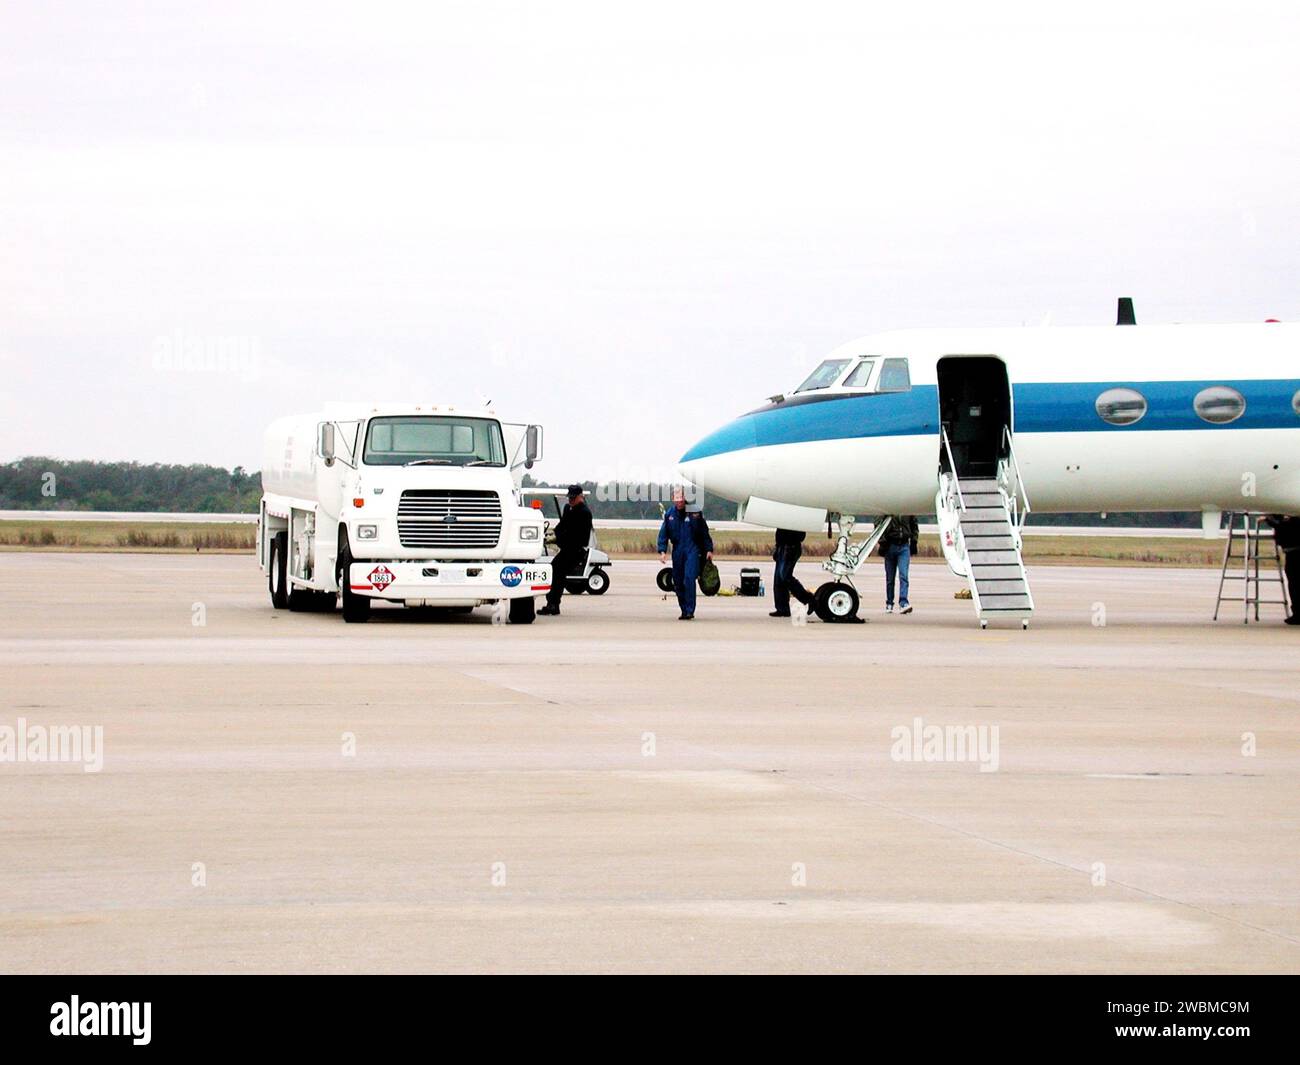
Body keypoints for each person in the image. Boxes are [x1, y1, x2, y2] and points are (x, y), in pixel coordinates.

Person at [658, 487, 713, 620]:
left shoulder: (695, 512)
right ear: (673, 499)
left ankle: (690, 610)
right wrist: (662, 550)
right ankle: (683, 609)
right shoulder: (669, 514)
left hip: (692, 549)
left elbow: (704, 532)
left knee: (689, 578)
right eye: (676, 498)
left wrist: (709, 549)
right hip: (677, 550)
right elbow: (663, 533)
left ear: (685, 498)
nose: (679, 501)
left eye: (681, 498)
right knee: (678, 581)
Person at [538, 485, 592, 616]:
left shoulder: (584, 513)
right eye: (570, 498)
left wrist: (558, 539)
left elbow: (578, 536)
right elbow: (562, 525)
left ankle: (553, 604)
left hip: (575, 550)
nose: (570, 500)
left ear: (580, 497)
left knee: (557, 573)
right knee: (555, 572)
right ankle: (552, 604)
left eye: (573, 498)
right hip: (567, 549)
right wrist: (552, 534)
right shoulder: (569, 509)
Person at [770, 528, 814, 617]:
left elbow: (801, 535)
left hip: (791, 547)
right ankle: (782, 609)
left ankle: (809, 599)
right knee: (779, 580)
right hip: (782, 546)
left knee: (785, 576)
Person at [881, 514, 919, 614]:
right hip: (890, 545)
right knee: (890, 578)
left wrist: (914, 541)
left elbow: (914, 525)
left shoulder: (908, 510)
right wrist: (882, 542)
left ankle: (903, 602)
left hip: (904, 545)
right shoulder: (888, 509)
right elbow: (879, 523)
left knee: (904, 575)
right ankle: (889, 602)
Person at [1266, 515, 1300, 626]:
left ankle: (1298, 614)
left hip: (1295, 553)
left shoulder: (1293, 521)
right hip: (1292, 552)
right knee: (1294, 584)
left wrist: (1269, 520)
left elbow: (1283, 527)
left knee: (1295, 584)